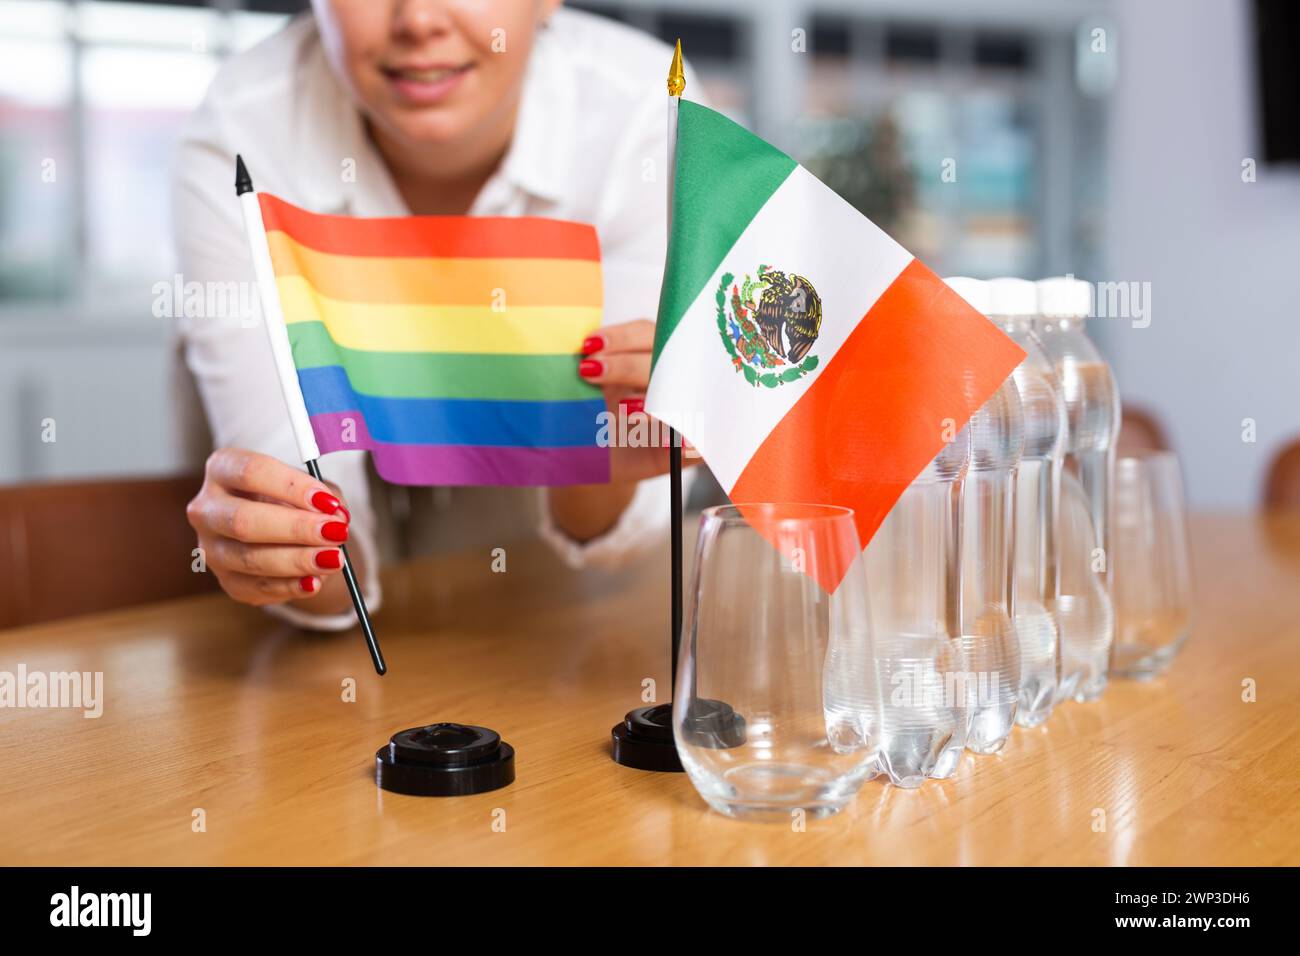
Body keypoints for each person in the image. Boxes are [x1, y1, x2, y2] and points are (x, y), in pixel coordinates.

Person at [174, 1, 701, 628]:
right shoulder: (244, 124)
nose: (419, 19)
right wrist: (284, 543)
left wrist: (602, 453)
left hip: (560, 615)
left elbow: (615, 532)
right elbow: (305, 527)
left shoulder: (646, 109)